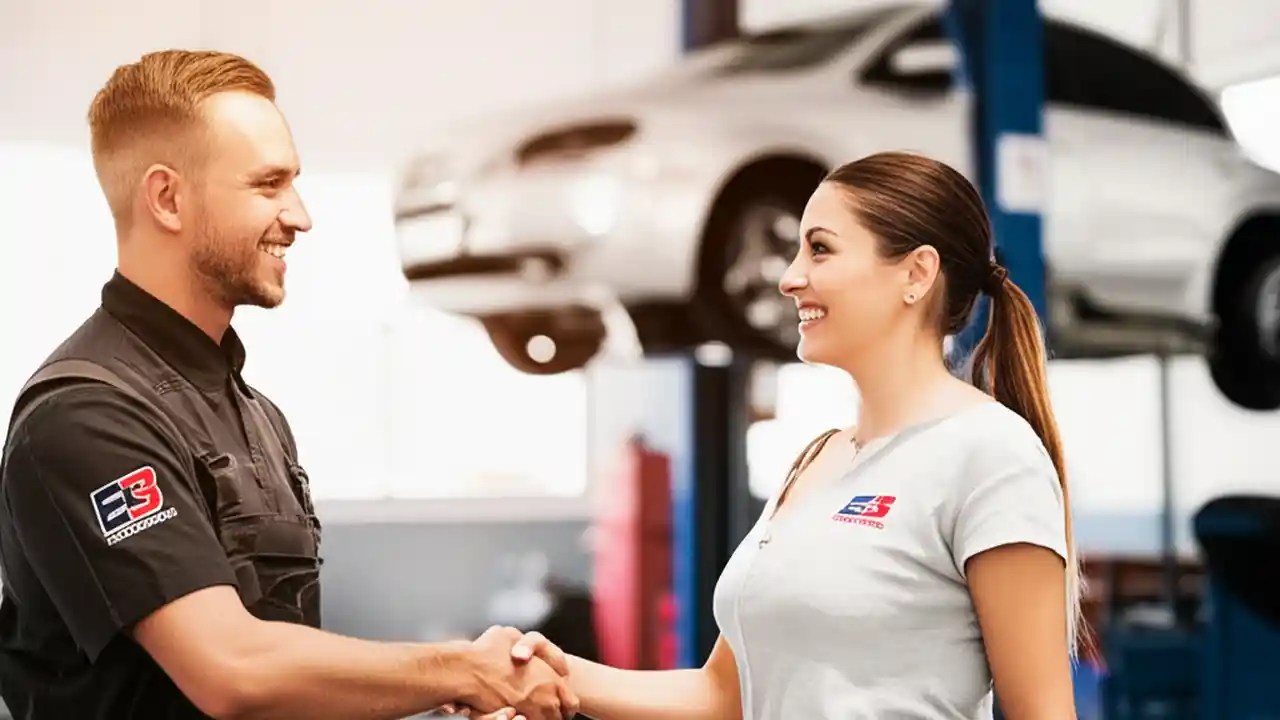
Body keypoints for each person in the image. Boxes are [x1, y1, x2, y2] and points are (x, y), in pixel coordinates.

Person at [0, 49, 577, 720]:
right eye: (268, 184)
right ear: (167, 198)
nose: (300, 216)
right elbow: (234, 671)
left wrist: (427, 703)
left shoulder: (255, 416)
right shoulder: (85, 415)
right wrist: (456, 669)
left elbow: (282, 683)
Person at [495, 151, 1084, 719]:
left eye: (819, 250)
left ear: (916, 273)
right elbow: (723, 695)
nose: (790, 278)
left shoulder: (991, 454)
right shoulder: (816, 459)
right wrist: (547, 671)